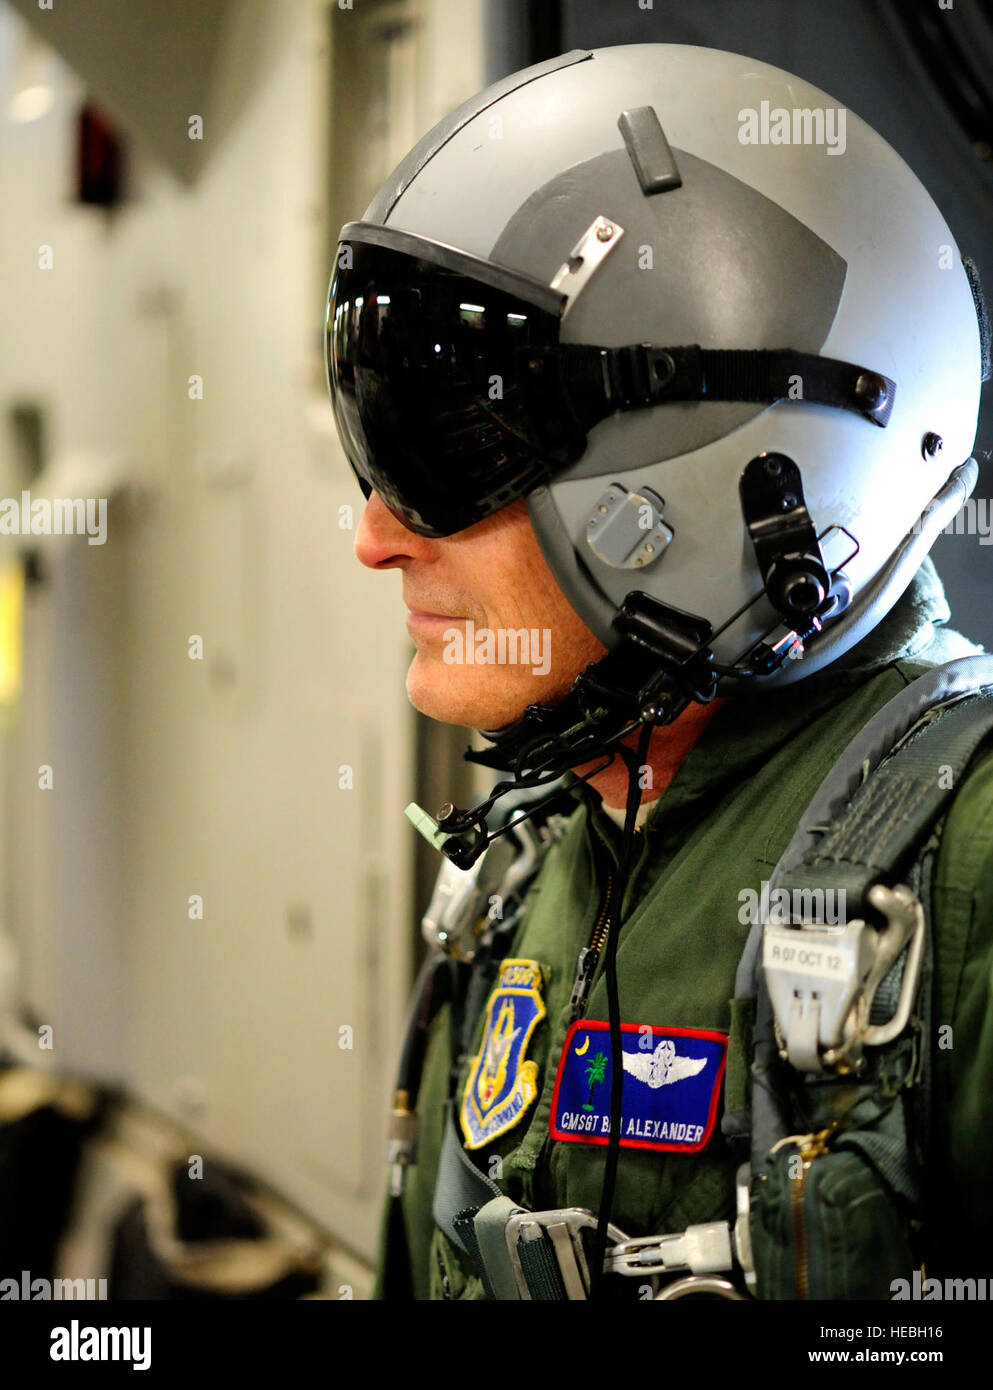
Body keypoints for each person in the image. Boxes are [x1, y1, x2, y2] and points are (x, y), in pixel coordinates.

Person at [326, 43, 993, 1300]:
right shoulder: (531, 869)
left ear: (736, 480)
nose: (375, 537)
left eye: (446, 445)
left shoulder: (970, 871)